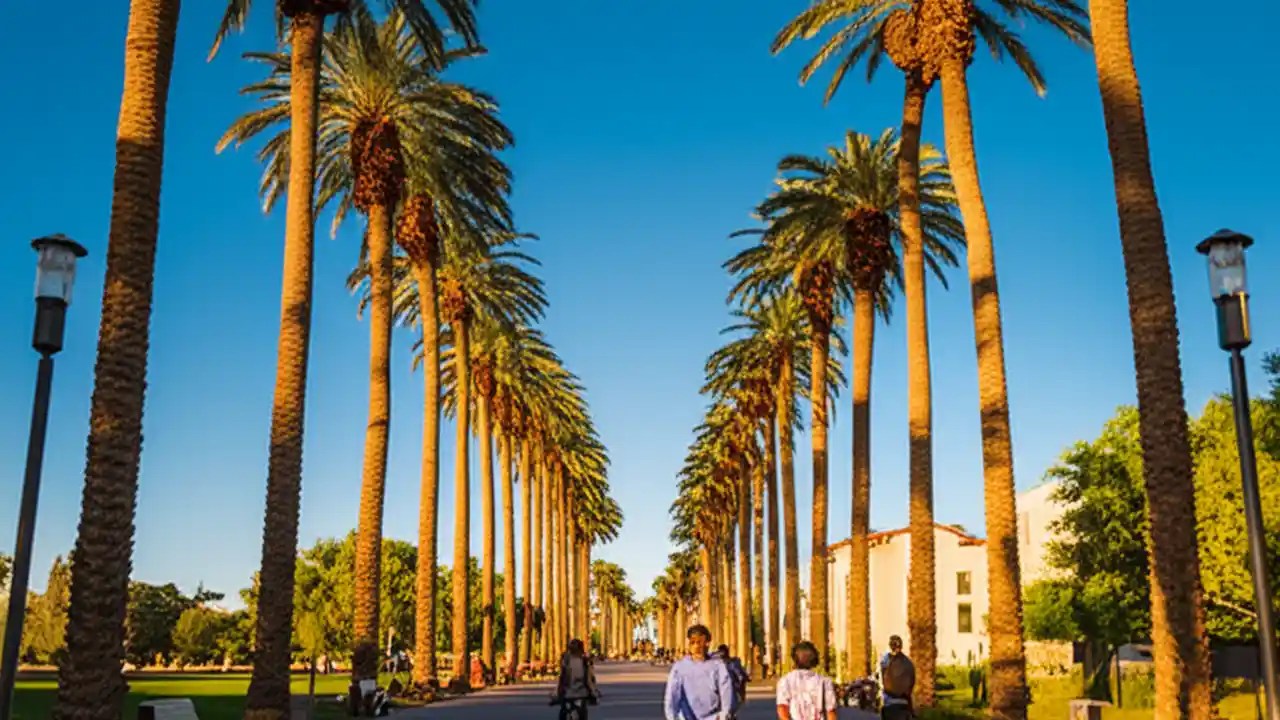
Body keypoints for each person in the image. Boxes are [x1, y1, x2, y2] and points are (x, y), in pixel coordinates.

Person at [664, 625, 738, 720]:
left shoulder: (717, 666)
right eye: (693, 642)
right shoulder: (680, 668)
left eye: (701, 642)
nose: (697, 646)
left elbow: (726, 690)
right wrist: (672, 716)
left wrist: (725, 713)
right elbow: (672, 695)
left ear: (708, 644)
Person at [775, 641, 837, 720]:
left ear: (794, 659)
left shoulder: (785, 681)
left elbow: (782, 708)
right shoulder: (825, 682)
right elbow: (830, 711)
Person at [553, 638, 599, 719]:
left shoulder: (567, 661)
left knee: (564, 713)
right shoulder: (584, 662)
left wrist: (556, 694)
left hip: (568, 694)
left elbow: (561, 679)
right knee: (581, 714)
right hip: (581, 694)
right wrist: (593, 693)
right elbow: (589, 680)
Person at [879, 635, 915, 720]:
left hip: (889, 704)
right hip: (904, 703)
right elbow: (912, 681)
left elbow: (882, 677)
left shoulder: (886, 660)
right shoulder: (908, 662)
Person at [716, 644, 750, 713]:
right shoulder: (717, 664)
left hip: (731, 690)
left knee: (730, 710)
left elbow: (741, 676)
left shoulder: (732, 663)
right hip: (722, 692)